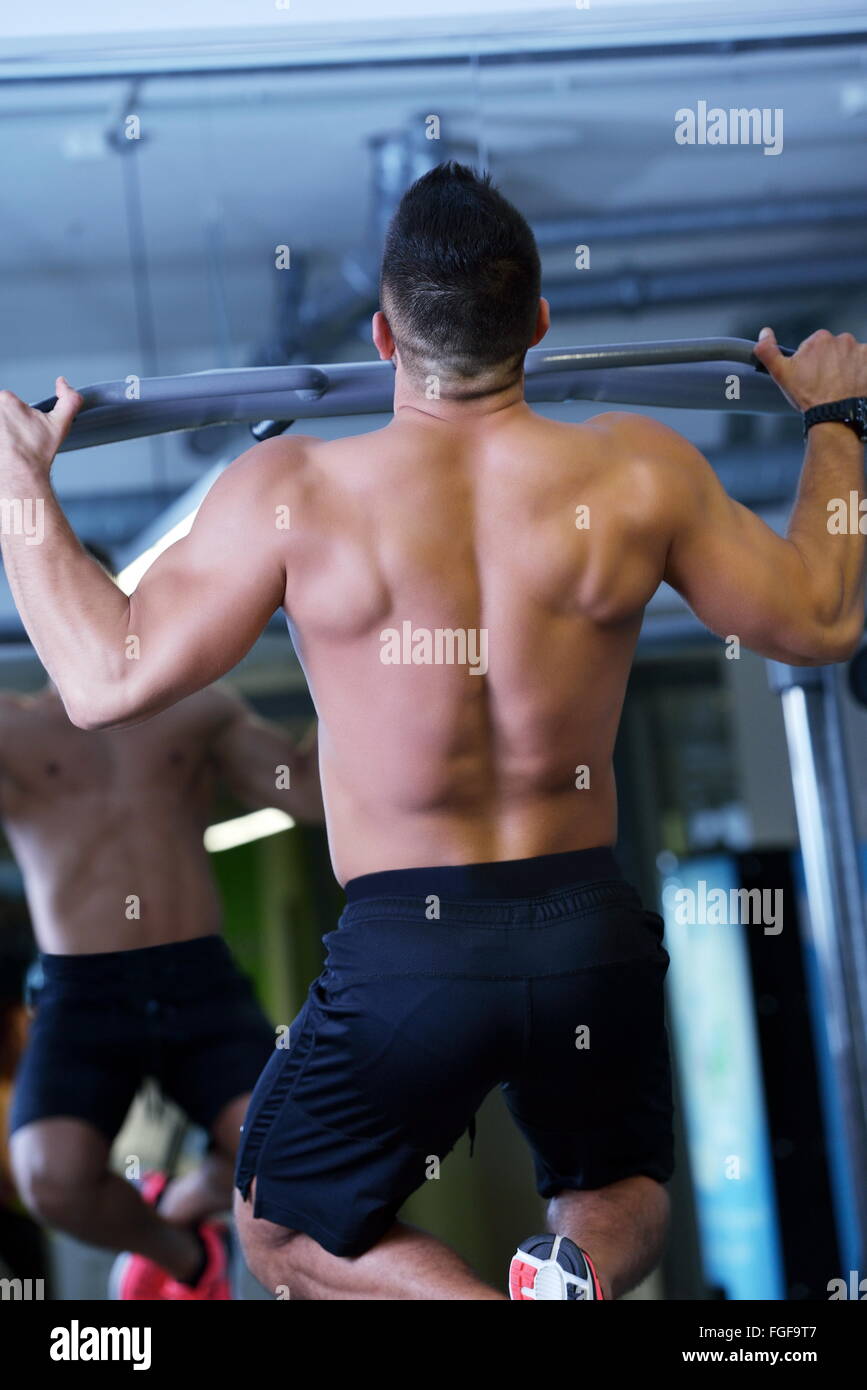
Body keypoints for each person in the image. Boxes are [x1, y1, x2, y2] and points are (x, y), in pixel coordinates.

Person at [0, 161, 863, 1301]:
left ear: (383, 334)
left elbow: (104, 674)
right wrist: (839, 422)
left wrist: (22, 488)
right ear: (541, 322)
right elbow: (822, 614)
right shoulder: (640, 469)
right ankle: (569, 1280)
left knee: (286, 1229)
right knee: (622, 1192)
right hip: (582, 926)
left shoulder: (294, 489)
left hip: (412, 945)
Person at [0, 549, 323, 1300]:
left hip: (196, 978)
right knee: (52, 1179)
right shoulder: (15, 734)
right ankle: (187, 1257)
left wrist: (350, 667)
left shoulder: (199, 708)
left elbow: (303, 794)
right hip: (83, 990)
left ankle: (184, 1197)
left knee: (281, 1151)